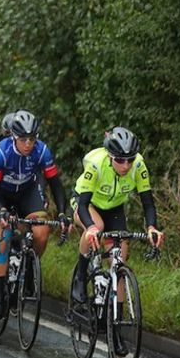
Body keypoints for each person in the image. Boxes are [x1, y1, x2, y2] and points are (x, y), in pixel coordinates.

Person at [71, 128, 164, 323]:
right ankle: (80, 277)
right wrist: (91, 228)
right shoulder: (97, 164)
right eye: (120, 160)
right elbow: (83, 205)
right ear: (110, 156)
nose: (126, 165)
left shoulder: (138, 165)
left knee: (119, 261)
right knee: (97, 226)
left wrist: (151, 227)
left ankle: (116, 322)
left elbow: (148, 203)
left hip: (114, 208)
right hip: (86, 203)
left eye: (130, 159)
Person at [0, 110, 70, 318]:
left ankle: (31, 266)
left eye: (32, 139)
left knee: (41, 231)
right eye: (23, 139)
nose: (28, 144)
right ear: (14, 137)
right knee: (3, 236)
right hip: (2, 195)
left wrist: (62, 212)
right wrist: (2, 211)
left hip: (27, 193)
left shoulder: (42, 152)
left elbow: (56, 184)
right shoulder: (0, 153)